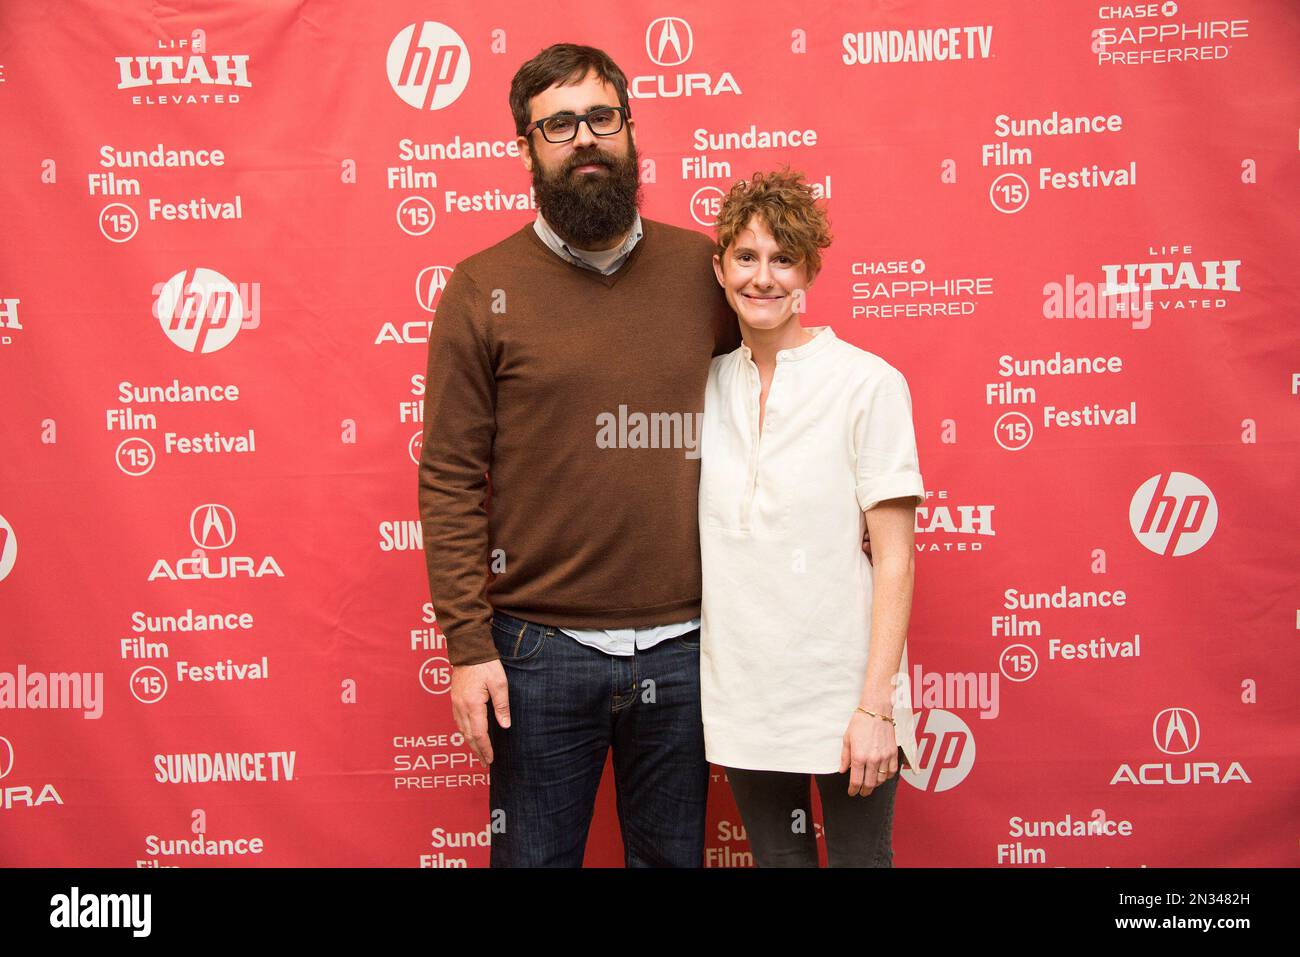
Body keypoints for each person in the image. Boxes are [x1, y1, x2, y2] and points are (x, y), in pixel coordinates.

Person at [416, 43, 739, 867]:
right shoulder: (478, 287)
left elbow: (774, 420)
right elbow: (450, 477)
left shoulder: (709, 275)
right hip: (535, 654)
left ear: (632, 131)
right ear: (526, 148)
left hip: (690, 646)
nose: (584, 138)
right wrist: (467, 646)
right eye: (558, 124)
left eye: (602, 117)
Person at [698, 167, 926, 867]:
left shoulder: (868, 383)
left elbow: (894, 557)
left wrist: (875, 707)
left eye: (783, 258)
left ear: (809, 272)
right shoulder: (700, 386)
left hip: (843, 689)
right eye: (746, 256)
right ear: (720, 267)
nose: (762, 277)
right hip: (744, 694)